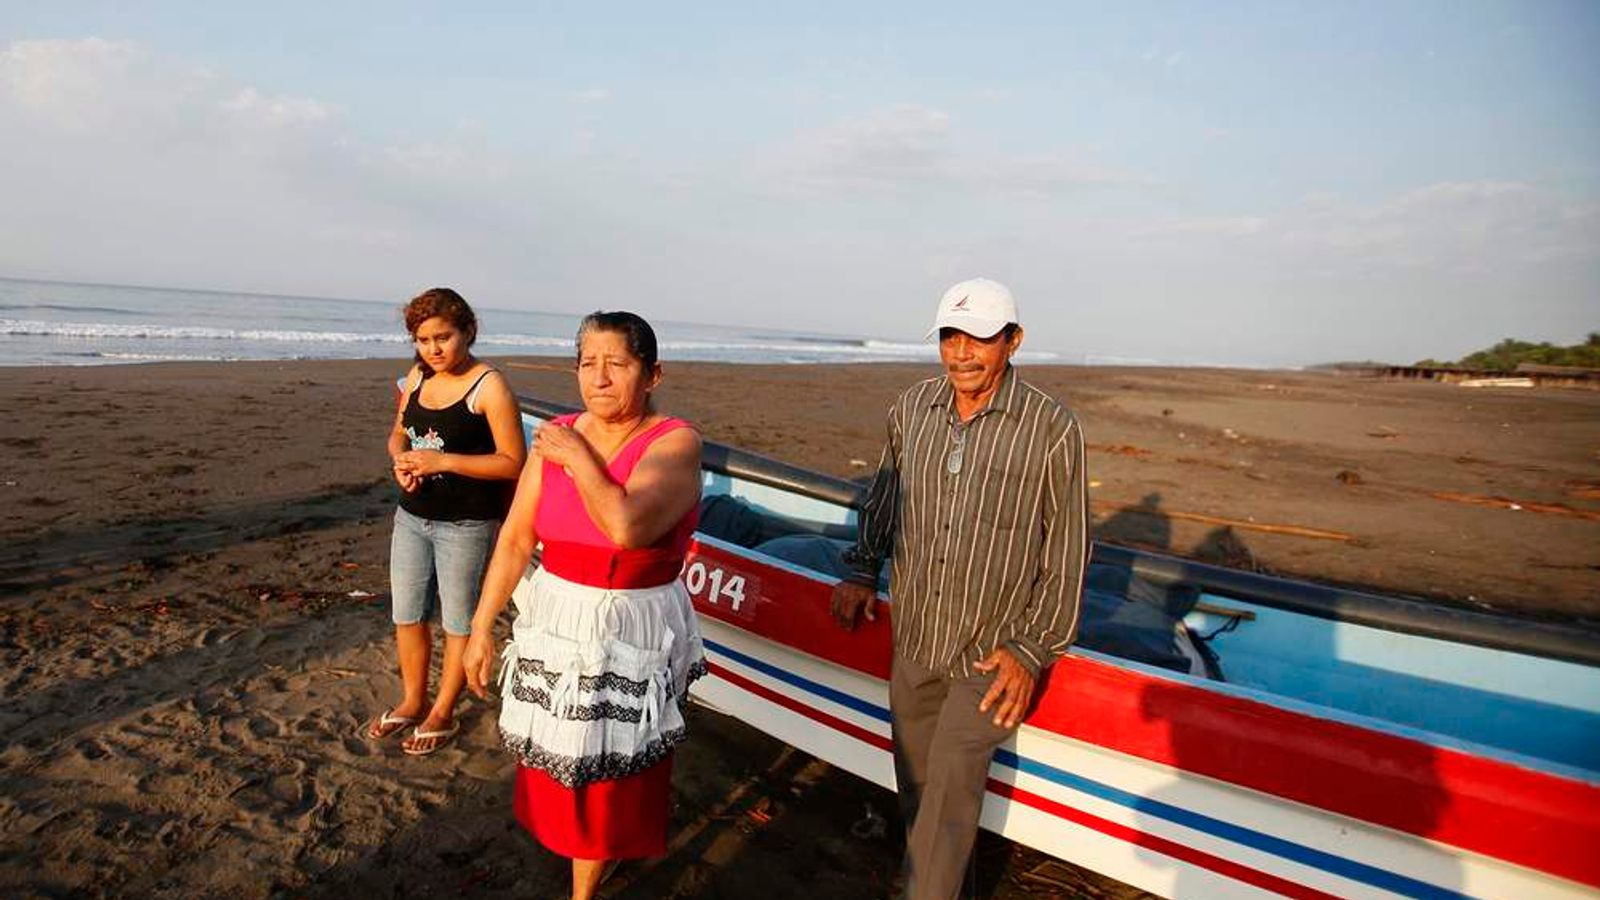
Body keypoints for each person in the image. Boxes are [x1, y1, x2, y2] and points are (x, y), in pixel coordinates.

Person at [830, 277, 1088, 900]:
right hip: (917, 638)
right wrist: (863, 569)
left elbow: (1068, 549)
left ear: (1013, 341)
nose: (962, 353)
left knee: (946, 794)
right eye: (950, 336)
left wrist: (1031, 652)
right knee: (918, 786)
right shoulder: (910, 409)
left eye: (979, 338)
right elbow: (886, 499)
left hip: (990, 653)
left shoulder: (1052, 429)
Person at [463, 311, 705, 900]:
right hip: (559, 617)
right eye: (587, 364)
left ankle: (585, 890)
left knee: (613, 775)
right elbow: (518, 537)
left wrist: (575, 456)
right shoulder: (559, 434)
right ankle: (589, 867)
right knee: (560, 760)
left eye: (617, 364)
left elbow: (626, 526)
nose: (599, 378)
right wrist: (480, 627)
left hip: (628, 621)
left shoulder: (673, 440)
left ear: (652, 375)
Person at [369, 287, 526, 755]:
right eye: (422, 339)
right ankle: (413, 699)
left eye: (444, 337)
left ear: (468, 332)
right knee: (408, 614)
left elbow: (512, 462)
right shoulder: (417, 377)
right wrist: (401, 462)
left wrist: (444, 463)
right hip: (412, 518)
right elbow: (398, 434)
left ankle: (443, 711)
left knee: (458, 622)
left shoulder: (489, 385)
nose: (434, 349)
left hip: (466, 524)